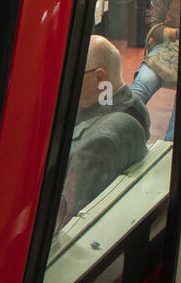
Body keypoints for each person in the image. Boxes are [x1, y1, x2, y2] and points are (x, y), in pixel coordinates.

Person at [57, 36, 150, 228]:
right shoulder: (134, 106)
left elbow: (70, 222)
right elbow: (105, 103)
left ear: (100, 77)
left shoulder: (97, 144)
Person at [129, 0, 181, 141]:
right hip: (169, 47)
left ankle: (170, 149)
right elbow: (155, 27)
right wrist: (177, 33)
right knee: (140, 86)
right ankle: (121, 133)